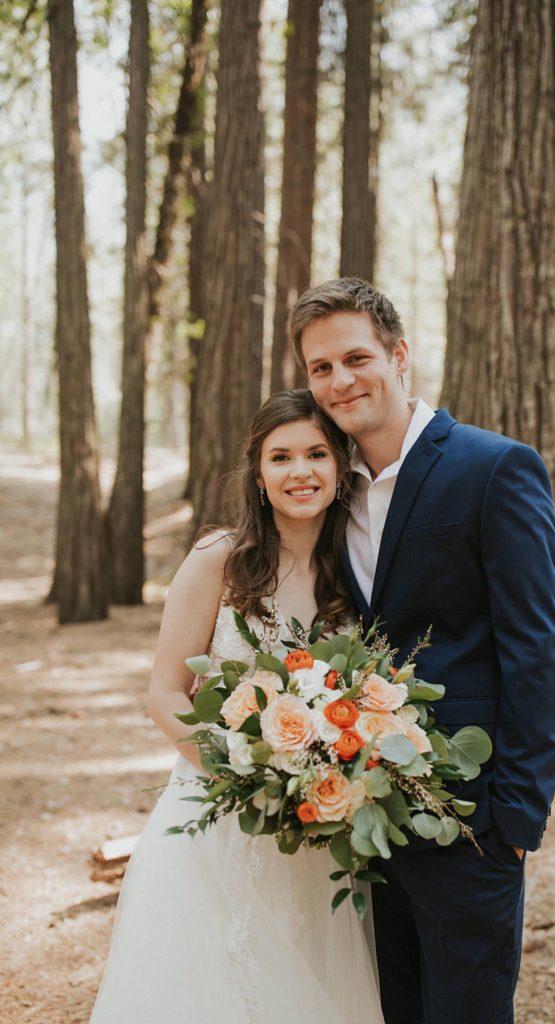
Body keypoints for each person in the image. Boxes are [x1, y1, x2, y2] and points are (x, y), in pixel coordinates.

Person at [290, 278, 555, 1024]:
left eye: (356, 358)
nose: (341, 381)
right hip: (365, 817)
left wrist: (515, 820)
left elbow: (538, 646)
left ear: (399, 355)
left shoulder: (493, 468)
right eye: (321, 368)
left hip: (472, 819)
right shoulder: (328, 490)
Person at [89, 390, 384, 1024]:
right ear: (258, 474)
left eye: (316, 455)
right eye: (281, 457)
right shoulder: (219, 559)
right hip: (214, 819)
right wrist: (238, 779)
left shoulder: (353, 571)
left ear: (340, 469)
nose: (299, 471)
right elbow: (165, 693)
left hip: (312, 823)